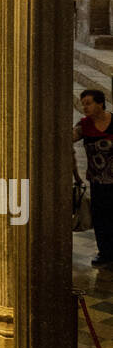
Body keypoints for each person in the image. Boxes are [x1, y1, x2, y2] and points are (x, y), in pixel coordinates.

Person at [73, 88, 113, 269]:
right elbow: (70, 137)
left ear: (100, 103)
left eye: (88, 103)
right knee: (100, 216)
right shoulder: (84, 125)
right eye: (83, 105)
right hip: (97, 180)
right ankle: (104, 252)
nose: (85, 108)